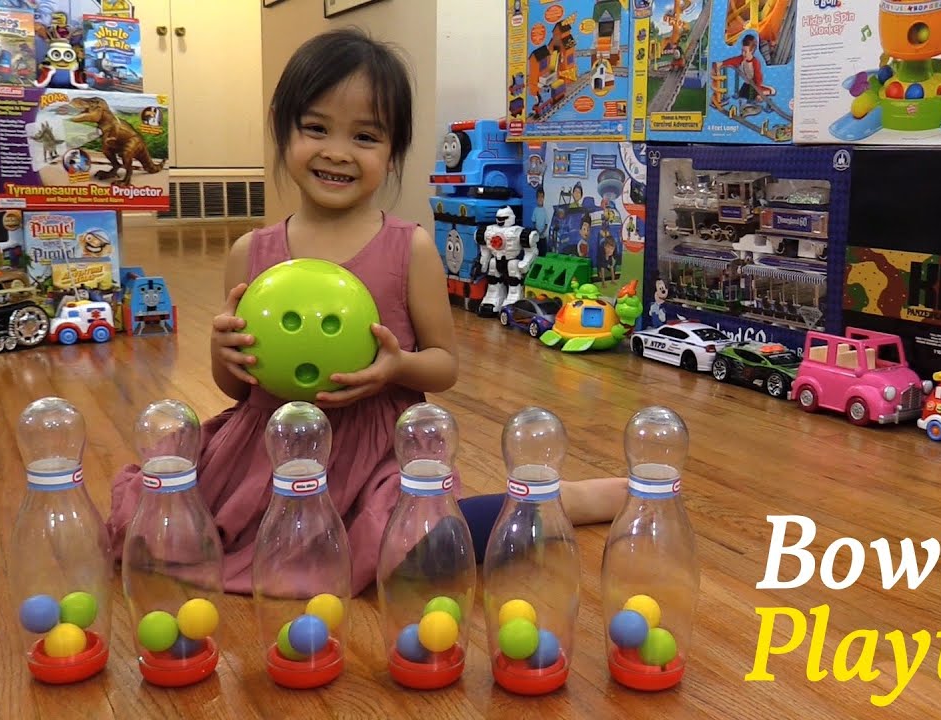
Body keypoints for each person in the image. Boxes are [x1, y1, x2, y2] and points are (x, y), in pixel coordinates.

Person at [106, 28, 626, 596]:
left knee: (423, 549)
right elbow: (235, 390)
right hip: (272, 449)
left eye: (365, 136)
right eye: (316, 128)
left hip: (377, 451)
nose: (337, 151)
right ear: (284, 128)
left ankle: (554, 500)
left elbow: (443, 366)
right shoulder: (250, 254)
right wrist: (222, 352)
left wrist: (396, 368)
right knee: (162, 533)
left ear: (394, 149)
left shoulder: (412, 249)